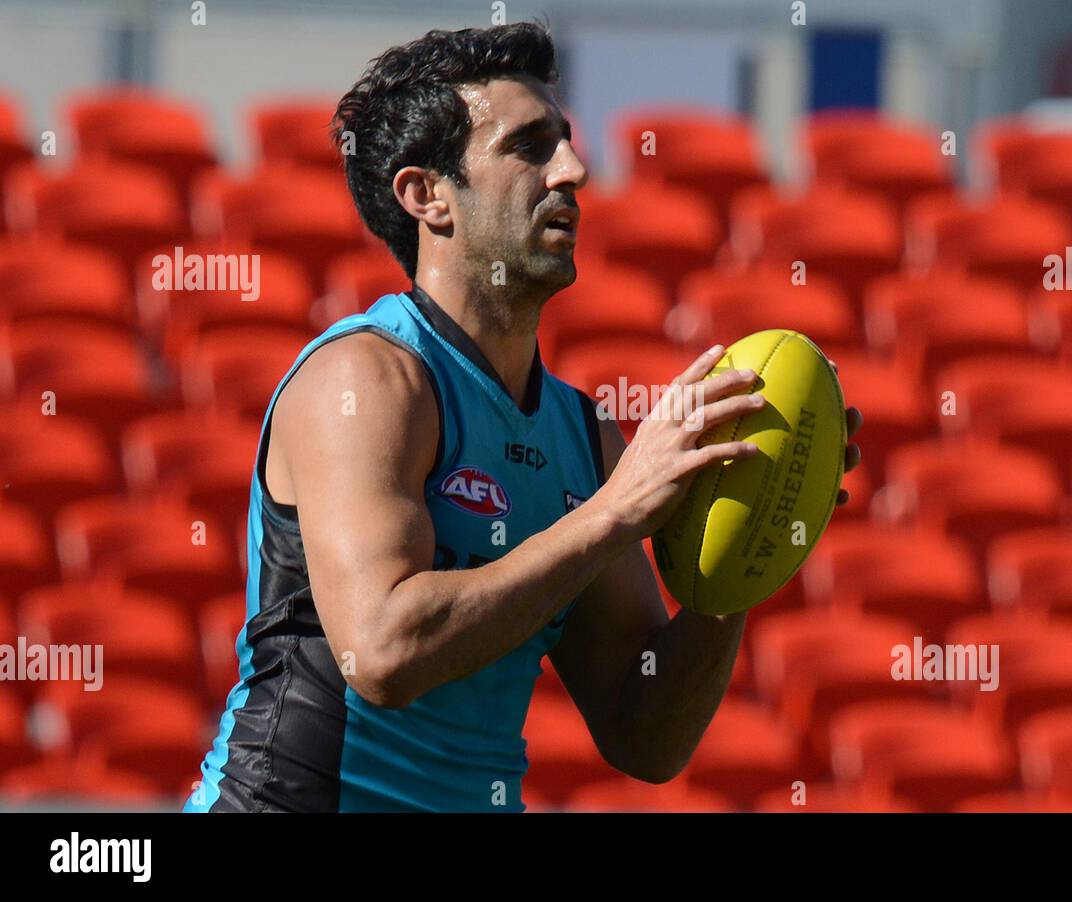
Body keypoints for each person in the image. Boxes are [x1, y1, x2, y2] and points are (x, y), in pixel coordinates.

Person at [185, 21, 862, 812]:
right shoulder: (367, 380)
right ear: (426, 195)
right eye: (529, 146)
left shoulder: (580, 436)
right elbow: (382, 651)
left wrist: (740, 546)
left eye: (567, 142)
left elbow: (644, 737)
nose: (573, 170)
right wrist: (612, 514)